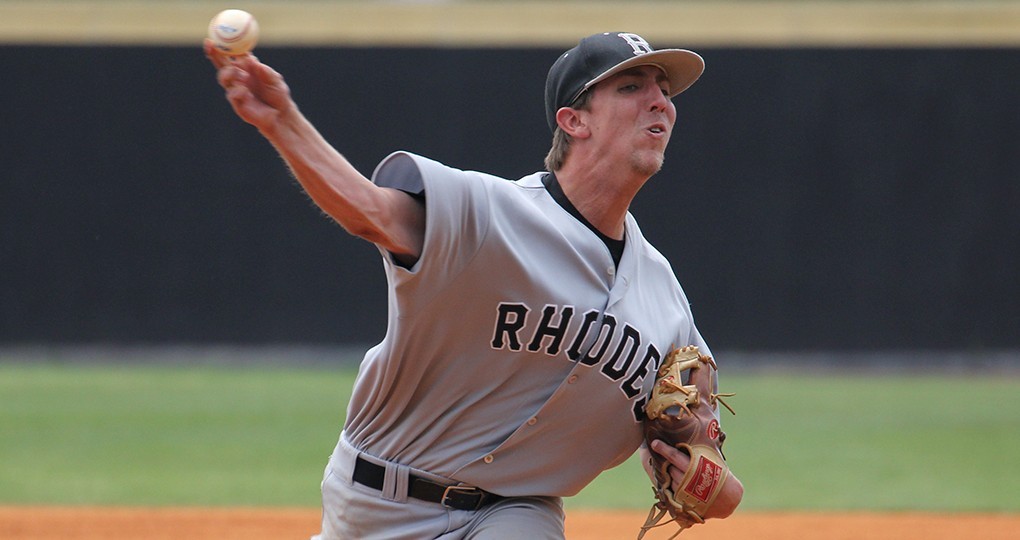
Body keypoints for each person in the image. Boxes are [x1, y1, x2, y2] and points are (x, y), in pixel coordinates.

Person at [205, 31, 741, 540]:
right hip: (378, 499)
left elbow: (693, 448)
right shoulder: (487, 214)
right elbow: (367, 211)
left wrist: (713, 482)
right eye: (632, 88)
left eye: (665, 92)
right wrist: (283, 122)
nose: (660, 103)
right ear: (574, 121)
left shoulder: (665, 300)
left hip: (519, 510)